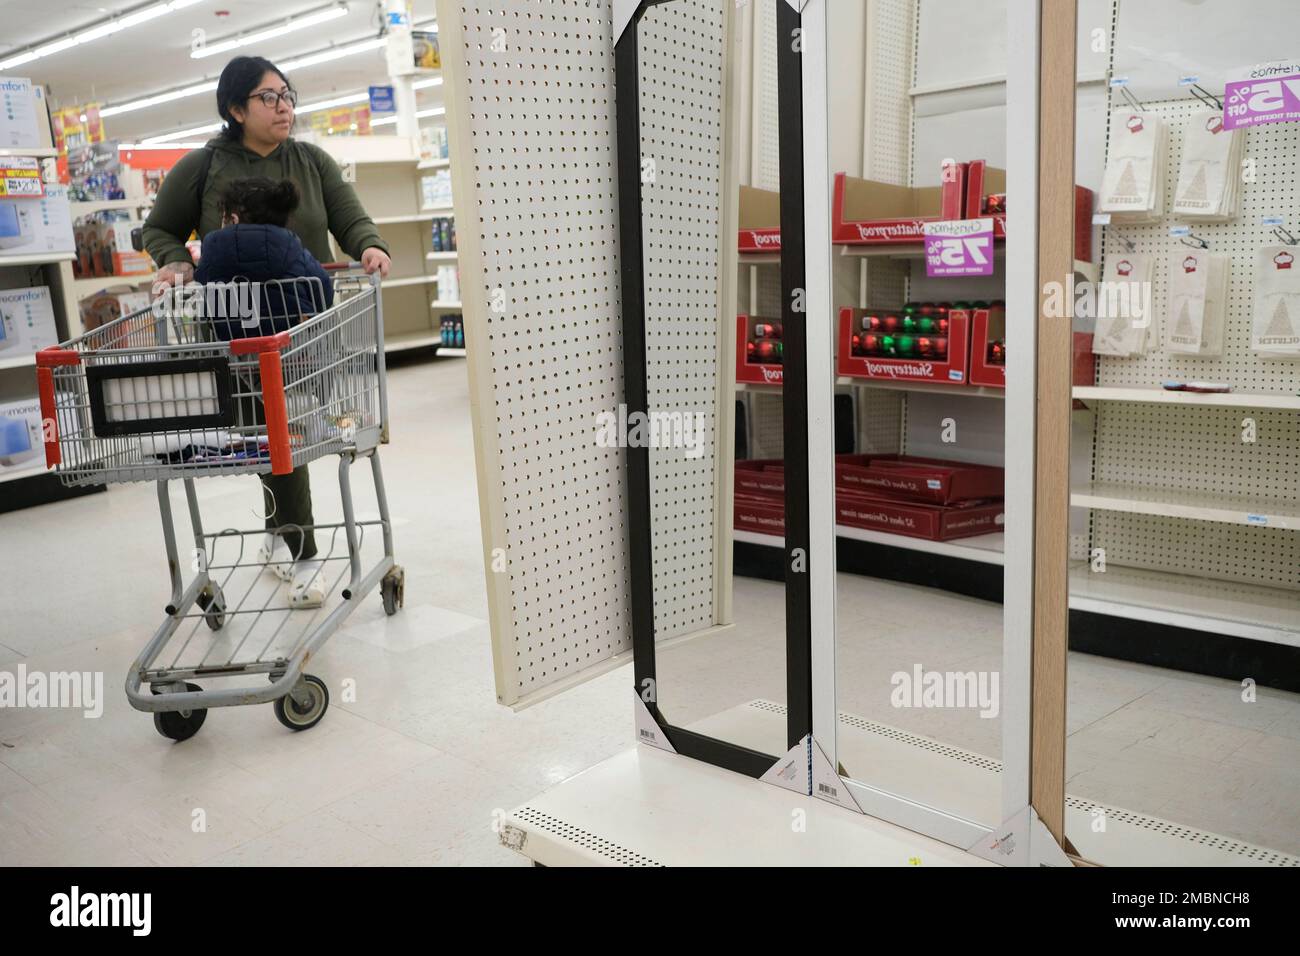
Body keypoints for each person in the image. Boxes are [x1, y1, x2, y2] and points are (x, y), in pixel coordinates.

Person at [144, 55, 392, 609]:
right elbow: (159, 228)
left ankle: (286, 538)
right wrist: (175, 261)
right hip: (239, 329)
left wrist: (370, 245)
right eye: (269, 98)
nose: (284, 107)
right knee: (279, 438)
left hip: (307, 326)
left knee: (285, 437)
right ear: (236, 109)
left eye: (287, 95)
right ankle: (300, 550)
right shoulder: (202, 168)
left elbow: (349, 217)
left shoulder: (311, 161)